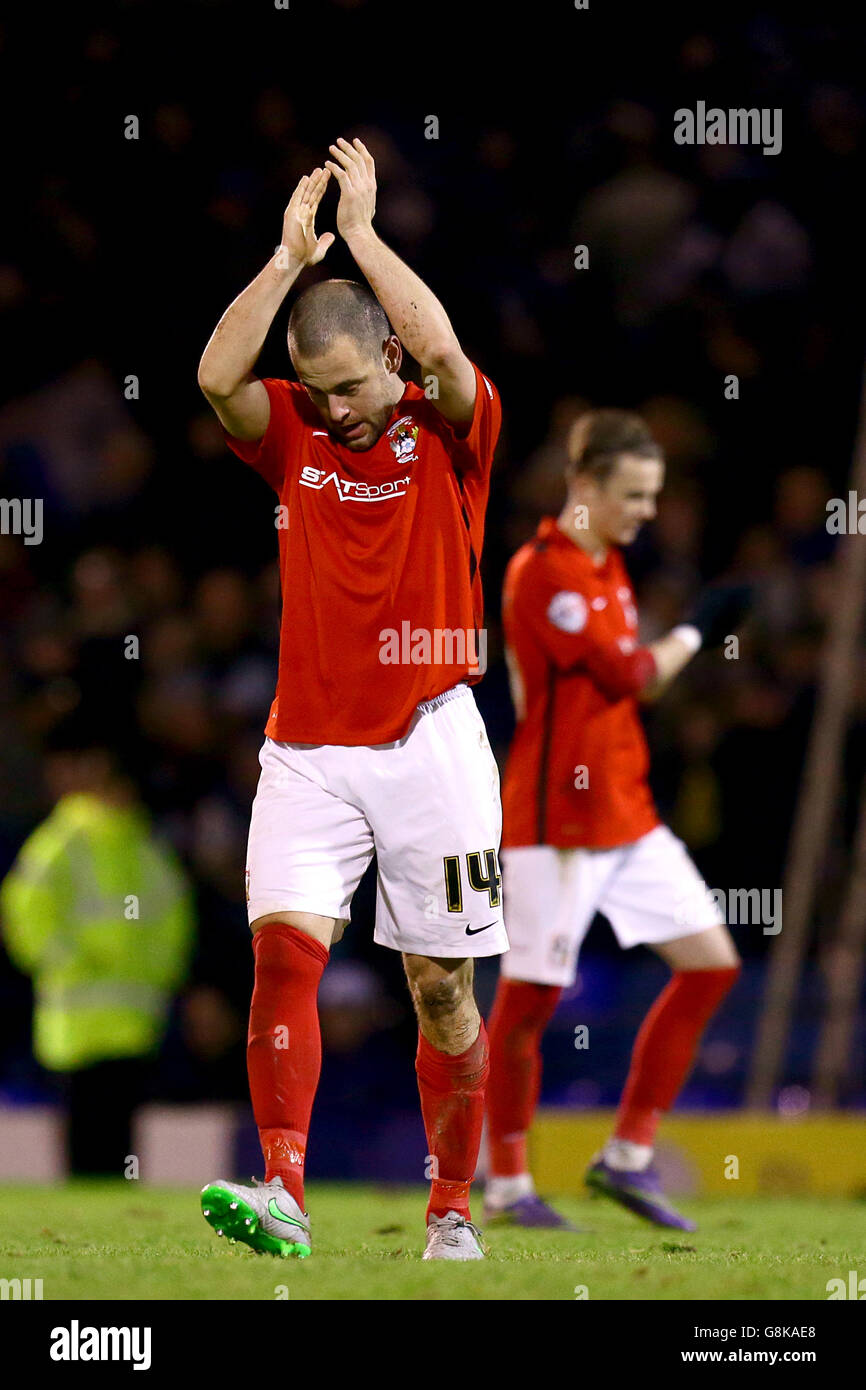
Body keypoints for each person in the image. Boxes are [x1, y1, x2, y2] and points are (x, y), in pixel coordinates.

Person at [196, 139, 505, 1260]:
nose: (337, 412)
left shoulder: (453, 430)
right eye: (317, 392)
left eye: (352, 385)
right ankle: (282, 1189)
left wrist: (366, 241)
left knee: (440, 993)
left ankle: (451, 1208)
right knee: (285, 956)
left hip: (433, 741)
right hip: (307, 749)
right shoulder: (294, 437)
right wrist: (287, 262)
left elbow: (447, 354)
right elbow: (216, 380)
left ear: (390, 356)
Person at [484, 409, 747, 1231]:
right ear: (586, 486)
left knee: (710, 964)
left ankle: (627, 1159)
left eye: (653, 496)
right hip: (555, 819)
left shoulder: (607, 567)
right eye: (633, 495)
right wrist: (701, 627)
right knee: (527, 1006)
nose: (645, 512)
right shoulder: (544, 572)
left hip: (627, 812)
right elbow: (634, 675)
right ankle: (506, 1186)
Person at [0, 715, 194, 1176]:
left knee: (115, 1125)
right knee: (89, 1124)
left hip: (124, 1015)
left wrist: (157, 973)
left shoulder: (139, 846)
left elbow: (172, 920)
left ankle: (104, 1204)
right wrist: (68, 960)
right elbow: (26, 911)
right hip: (83, 1015)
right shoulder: (69, 841)